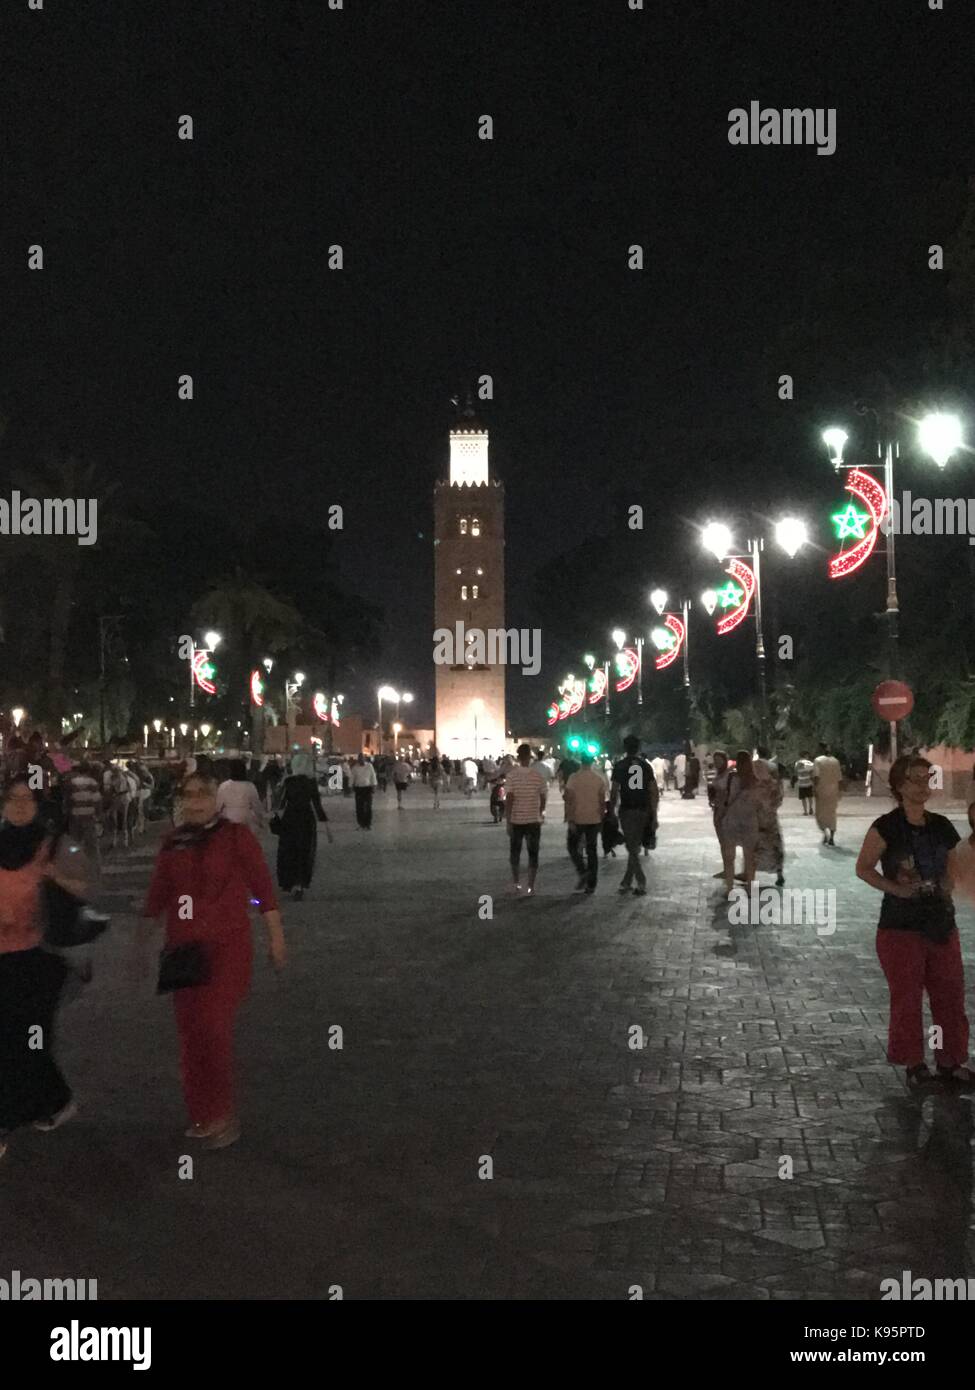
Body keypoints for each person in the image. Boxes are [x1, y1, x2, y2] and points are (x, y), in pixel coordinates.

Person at [141, 772, 286, 1148]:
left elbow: (263, 891)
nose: (194, 802)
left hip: (227, 950)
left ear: (216, 800)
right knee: (190, 1035)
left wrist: (276, 937)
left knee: (212, 1028)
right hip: (183, 952)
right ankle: (202, 1112)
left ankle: (222, 1112)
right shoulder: (173, 843)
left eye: (202, 795)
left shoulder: (236, 838)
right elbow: (157, 897)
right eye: (187, 795)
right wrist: (139, 947)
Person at [855, 755, 973, 1089]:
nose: (923, 785)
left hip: (940, 924)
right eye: (915, 778)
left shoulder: (941, 826)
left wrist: (950, 882)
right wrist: (895, 888)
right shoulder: (886, 826)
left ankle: (950, 1061)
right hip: (900, 927)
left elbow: (955, 863)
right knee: (907, 999)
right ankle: (915, 1064)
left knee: (949, 995)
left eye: (926, 777)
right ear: (899, 785)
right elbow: (863, 867)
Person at [0, 776, 91, 1157]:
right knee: (8, 1039)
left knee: (31, 1039)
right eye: (13, 799)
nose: (20, 805)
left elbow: (85, 888)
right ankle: (46, 1102)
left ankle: (38, 1105)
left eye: (28, 799)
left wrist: (58, 878)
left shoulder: (53, 844)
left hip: (37, 961)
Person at [275, 752, 329, 899]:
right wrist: (324, 820)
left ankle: (289, 881)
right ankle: (300, 884)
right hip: (306, 818)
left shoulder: (288, 782)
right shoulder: (310, 782)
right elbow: (317, 804)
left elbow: (280, 804)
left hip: (290, 818)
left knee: (289, 850)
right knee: (304, 851)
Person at [610, 735, 658, 896]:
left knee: (632, 847)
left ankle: (641, 881)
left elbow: (614, 790)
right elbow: (653, 791)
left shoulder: (620, 766)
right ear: (638, 748)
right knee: (634, 845)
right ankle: (626, 881)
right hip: (643, 809)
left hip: (627, 809)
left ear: (625, 748)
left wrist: (611, 811)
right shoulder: (646, 766)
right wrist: (654, 814)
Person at [505, 743, 547, 897]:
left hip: (517, 820)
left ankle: (516, 883)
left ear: (518, 757)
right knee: (533, 853)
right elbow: (543, 796)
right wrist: (541, 812)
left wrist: (508, 820)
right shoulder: (538, 776)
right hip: (533, 820)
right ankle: (531, 886)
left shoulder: (512, 776)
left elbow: (509, 798)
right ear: (530, 758)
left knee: (515, 853)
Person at [564, 753, 608, 895]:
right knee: (592, 851)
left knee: (572, 847)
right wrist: (602, 818)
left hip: (577, 818)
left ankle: (582, 871)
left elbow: (568, 799)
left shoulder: (573, 778)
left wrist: (570, 819)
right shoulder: (598, 779)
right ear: (592, 762)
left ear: (581, 762)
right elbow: (602, 802)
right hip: (594, 819)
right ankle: (591, 885)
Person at [718, 751, 760, 895]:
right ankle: (750, 888)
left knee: (729, 857)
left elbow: (719, 787)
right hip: (750, 820)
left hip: (733, 819)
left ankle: (730, 888)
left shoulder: (732, 777)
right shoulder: (755, 780)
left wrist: (729, 770)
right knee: (750, 857)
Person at [754, 747, 785, 886]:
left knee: (754, 843)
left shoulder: (754, 767)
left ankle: (750, 873)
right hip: (770, 813)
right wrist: (774, 805)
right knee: (774, 843)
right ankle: (779, 873)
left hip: (756, 812)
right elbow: (779, 791)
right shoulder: (773, 769)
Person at [65, 760, 102, 867]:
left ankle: (74, 864)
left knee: (75, 843)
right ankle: (94, 866)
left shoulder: (71, 782)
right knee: (92, 845)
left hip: (75, 817)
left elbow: (68, 801)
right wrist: (99, 817)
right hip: (89, 817)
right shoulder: (93, 782)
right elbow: (97, 801)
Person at [217, 759, 266, 836]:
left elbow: (218, 805)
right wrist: (260, 819)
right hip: (245, 817)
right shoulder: (250, 786)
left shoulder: (224, 786)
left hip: (228, 817)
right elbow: (256, 804)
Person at [813, 741, 843, 845]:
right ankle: (832, 837)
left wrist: (814, 789)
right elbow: (839, 778)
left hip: (821, 791)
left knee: (820, 814)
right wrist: (840, 791)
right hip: (833, 791)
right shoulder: (836, 761)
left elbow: (816, 776)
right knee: (832, 814)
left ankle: (825, 834)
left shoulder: (818, 761)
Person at [707, 750, 731, 876]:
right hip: (717, 810)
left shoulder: (730, 775)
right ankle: (726, 868)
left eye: (719, 760)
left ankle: (730, 869)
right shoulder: (717, 775)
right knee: (722, 842)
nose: (716, 763)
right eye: (715, 761)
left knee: (728, 842)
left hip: (728, 812)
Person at [350, 753, 377, 829]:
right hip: (358, 789)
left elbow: (373, 776)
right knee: (359, 807)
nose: (361, 760)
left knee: (368, 807)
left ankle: (368, 824)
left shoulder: (369, 766)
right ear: (358, 759)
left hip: (367, 788)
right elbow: (352, 778)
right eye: (359, 758)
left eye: (362, 758)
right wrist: (351, 786)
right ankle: (360, 823)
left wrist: (374, 786)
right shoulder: (355, 768)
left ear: (365, 759)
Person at [794, 751, 815, 815]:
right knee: (810, 796)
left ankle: (805, 811)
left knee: (803, 798)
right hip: (808, 782)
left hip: (801, 783)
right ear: (806, 756)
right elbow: (812, 772)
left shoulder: (797, 763)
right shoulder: (809, 763)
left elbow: (796, 771)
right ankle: (810, 808)